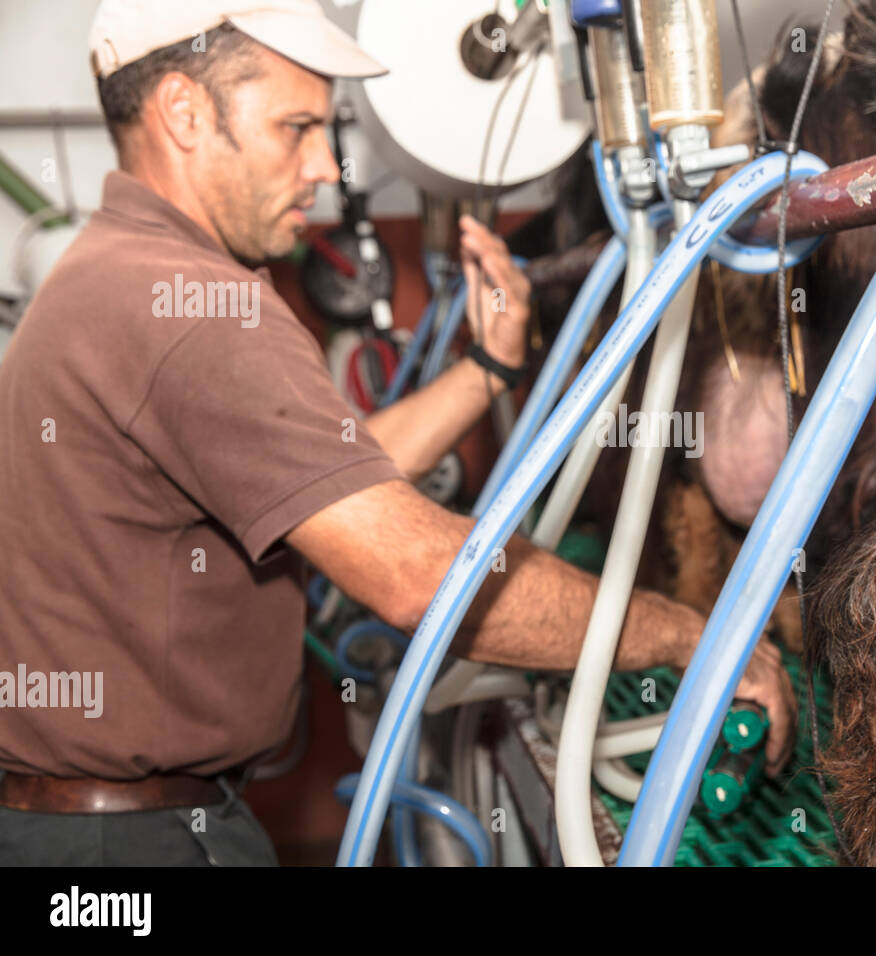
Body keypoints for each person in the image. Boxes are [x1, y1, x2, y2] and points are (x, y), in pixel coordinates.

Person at [0, 0, 794, 865]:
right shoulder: (193, 308)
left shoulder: (116, 272)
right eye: (296, 126)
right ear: (185, 113)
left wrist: (486, 371)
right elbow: (422, 575)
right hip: (132, 848)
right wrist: (696, 639)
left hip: (83, 833)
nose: (322, 166)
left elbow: (333, 478)